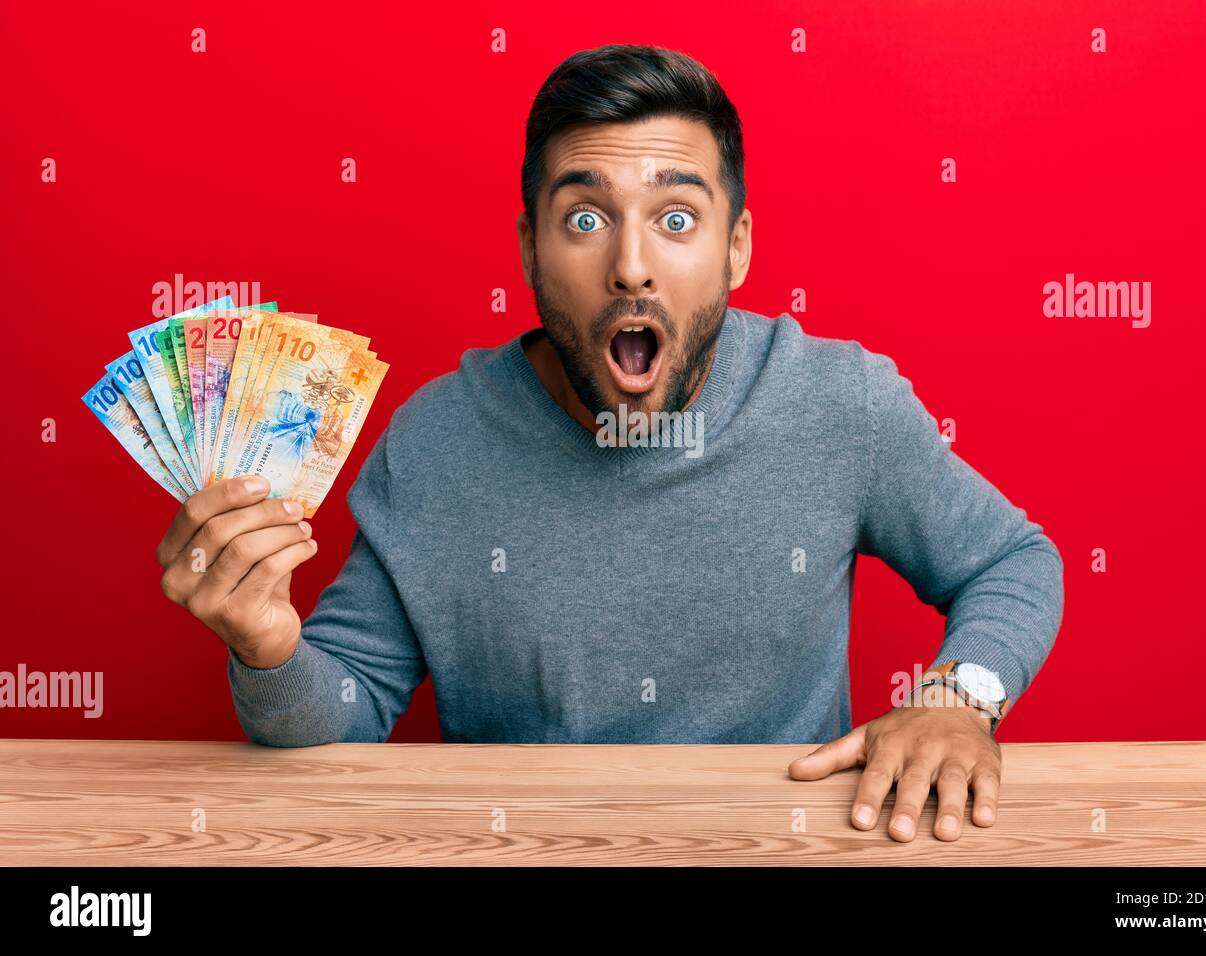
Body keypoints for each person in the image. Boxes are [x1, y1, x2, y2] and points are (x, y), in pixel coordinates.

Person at [156, 44, 1064, 843]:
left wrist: (958, 700)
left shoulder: (837, 401)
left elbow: (1014, 561)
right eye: (584, 219)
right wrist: (268, 647)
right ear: (529, 248)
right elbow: (344, 717)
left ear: (736, 248)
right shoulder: (436, 441)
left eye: (676, 219)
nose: (630, 264)